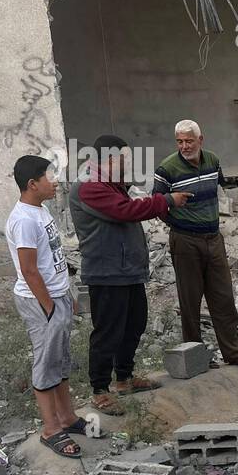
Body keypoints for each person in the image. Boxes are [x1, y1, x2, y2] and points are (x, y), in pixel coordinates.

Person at [70, 134, 190, 415]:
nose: (128, 164)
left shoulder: (111, 184)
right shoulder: (89, 186)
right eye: (124, 159)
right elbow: (125, 211)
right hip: (106, 272)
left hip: (127, 270)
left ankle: (123, 378)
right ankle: (100, 389)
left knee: (134, 325)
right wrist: (166, 201)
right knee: (108, 333)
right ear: (109, 159)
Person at [152, 119, 238, 374]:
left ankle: (234, 354)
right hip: (185, 240)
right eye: (179, 141)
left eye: (189, 140)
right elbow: (157, 204)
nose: (184, 146)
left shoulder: (212, 160)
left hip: (213, 238)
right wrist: (180, 224)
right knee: (190, 302)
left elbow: (218, 187)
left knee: (223, 298)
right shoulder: (167, 168)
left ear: (201, 139)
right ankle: (196, 356)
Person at [6, 156, 83, 459]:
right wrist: (50, 306)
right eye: (49, 178)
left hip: (56, 296)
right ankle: (51, 429)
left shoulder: (41, 209)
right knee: (46, 362)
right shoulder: (23, 219)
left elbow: (51, 259)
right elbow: (29, 270)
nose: (55, 183)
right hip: (39, 301)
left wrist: (66, 295)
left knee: (60, 359)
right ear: (32, 184)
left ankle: (67, 417)